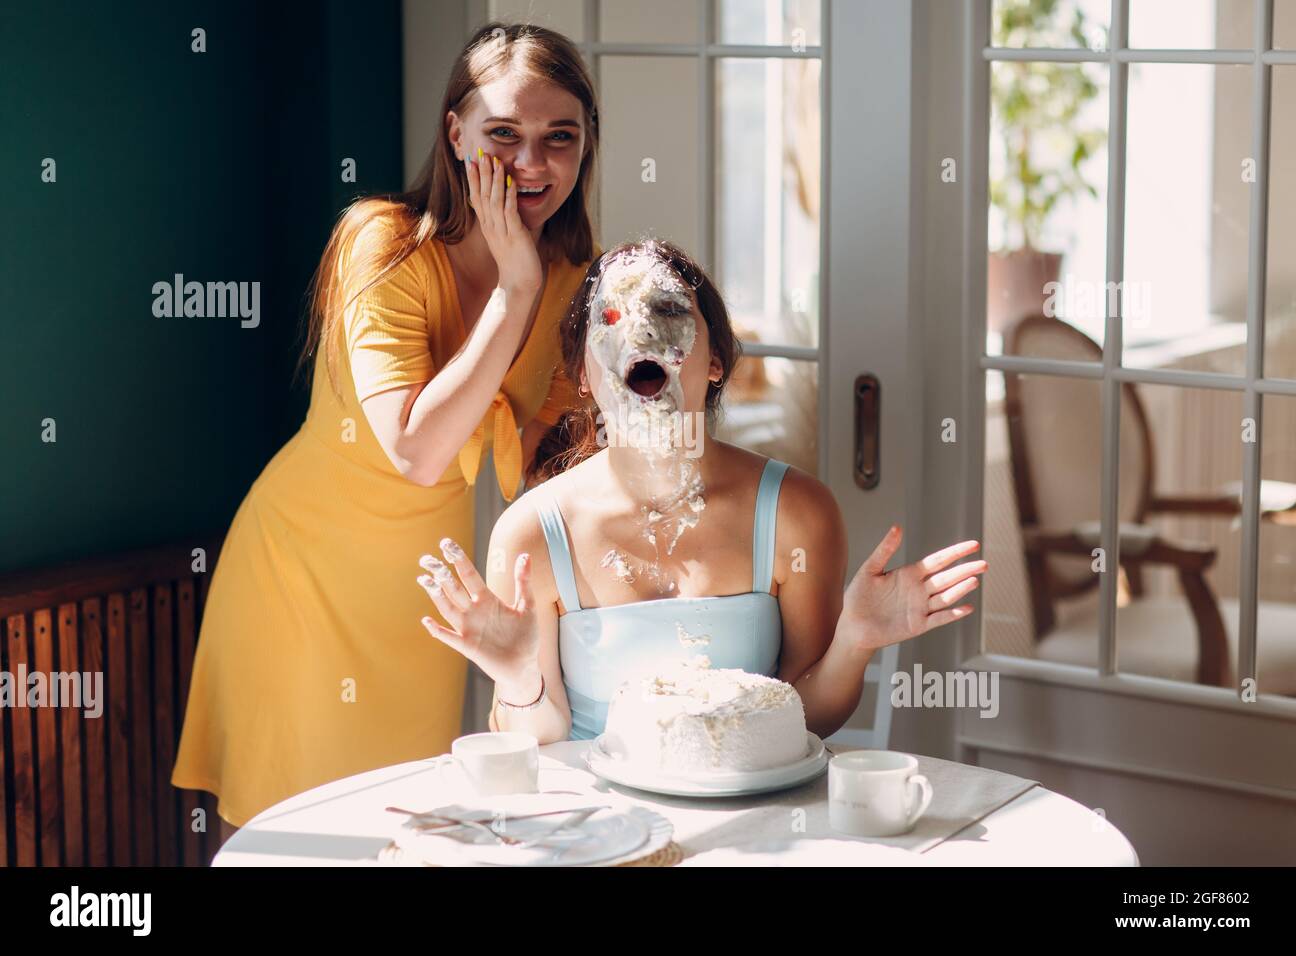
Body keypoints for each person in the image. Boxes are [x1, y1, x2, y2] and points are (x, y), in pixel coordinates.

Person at [172, 22, 600, 839]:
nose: (532, 163)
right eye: (503, 134)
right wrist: (515, 288)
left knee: (401, 835)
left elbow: (538, 480)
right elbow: (416, 450)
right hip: (302, 575)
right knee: (286, 835)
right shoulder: (385, 244)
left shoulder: (576, 280)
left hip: (421, 602)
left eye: (560, 138)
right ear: (455, 132)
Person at [416, 239, 988, 743]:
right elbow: (541, 741)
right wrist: (519, 680)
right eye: (610, 317)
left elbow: (808, 720)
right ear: (585, 377)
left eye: (667, 310)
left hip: (753, 819)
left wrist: (854, 642)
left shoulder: (797, 514)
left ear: (714, 361)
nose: (638, 332)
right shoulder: (531, 536)